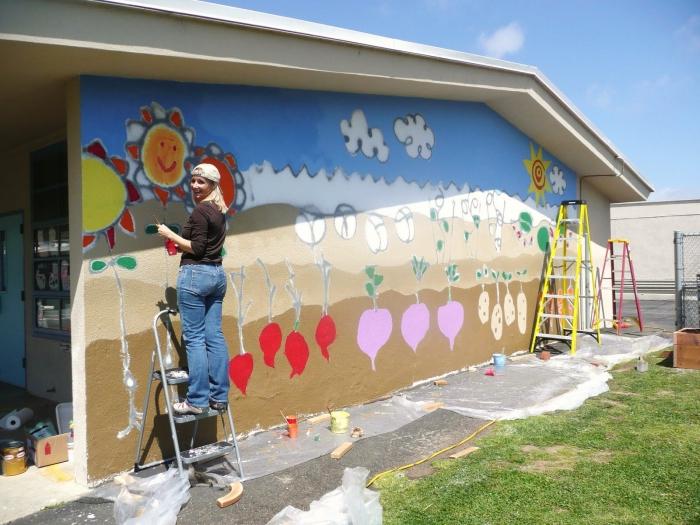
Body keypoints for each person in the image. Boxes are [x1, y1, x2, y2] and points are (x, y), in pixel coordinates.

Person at [158, 163, 229, 415]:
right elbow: (205, 245)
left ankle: (197, 400)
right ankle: (219, 397)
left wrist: (169, 233)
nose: (196, 186)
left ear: (212, 185)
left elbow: (197, 249)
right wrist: (179, 244)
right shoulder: (219, 210)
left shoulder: (200, 211)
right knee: (214, 337)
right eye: (193, 181)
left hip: (195, 275)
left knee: (196, 339)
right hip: (217, 275)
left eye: (202, 182)